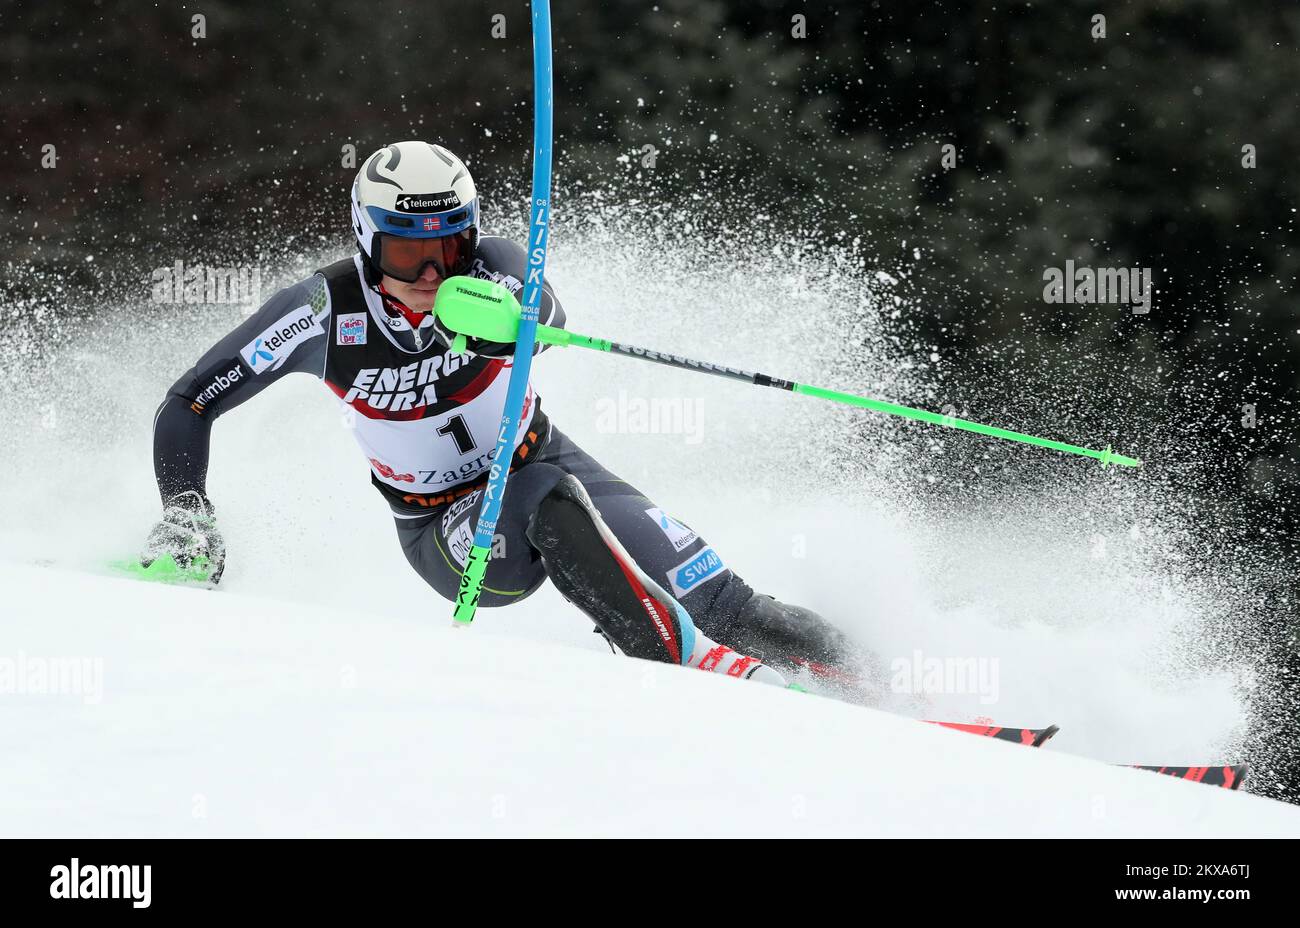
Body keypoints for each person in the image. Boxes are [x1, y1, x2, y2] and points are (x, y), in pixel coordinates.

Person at [143, 140, 853, 687]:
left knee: (730, 603)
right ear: (366, 240)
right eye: (408, 251)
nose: (431, 274)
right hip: (448, 528)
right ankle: (690, 671)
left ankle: (882, 686)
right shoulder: (321, 313)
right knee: (540, 497)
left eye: (447, 247)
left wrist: (510, 326)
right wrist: (186, 510)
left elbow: (547, 307)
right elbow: (187, 404)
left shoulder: (491, 268)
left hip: (550, 460)